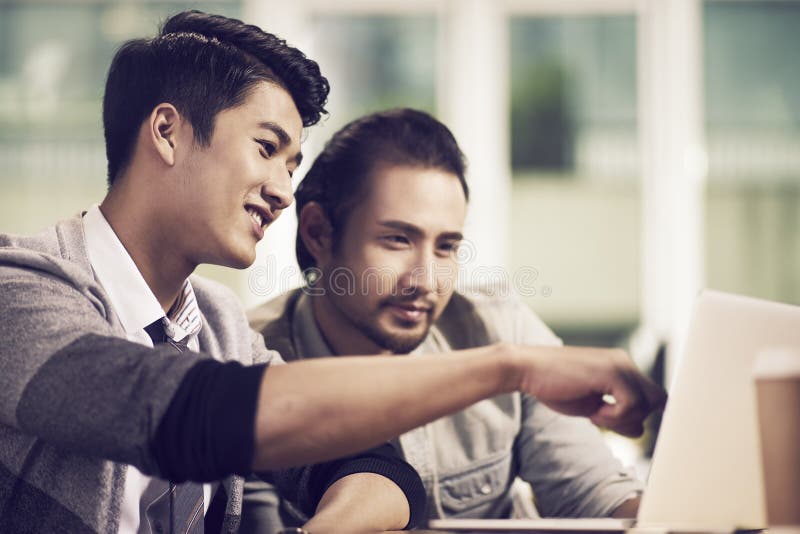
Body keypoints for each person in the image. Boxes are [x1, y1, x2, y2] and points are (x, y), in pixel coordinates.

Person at [0, 10, 665, 534]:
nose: (284, 191)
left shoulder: (217, 325)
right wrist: (507, 367)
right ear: (169, 133)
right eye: (267, 149)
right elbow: (184, 414)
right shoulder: (21, 293)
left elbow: (374, 464)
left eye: (292, 164)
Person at [248, 108, 652, 526]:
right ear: (318, 232)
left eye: (446, 247)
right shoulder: (242, 357)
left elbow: (596, 496)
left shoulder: (501, 329)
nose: (426, 281)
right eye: (397, 240)